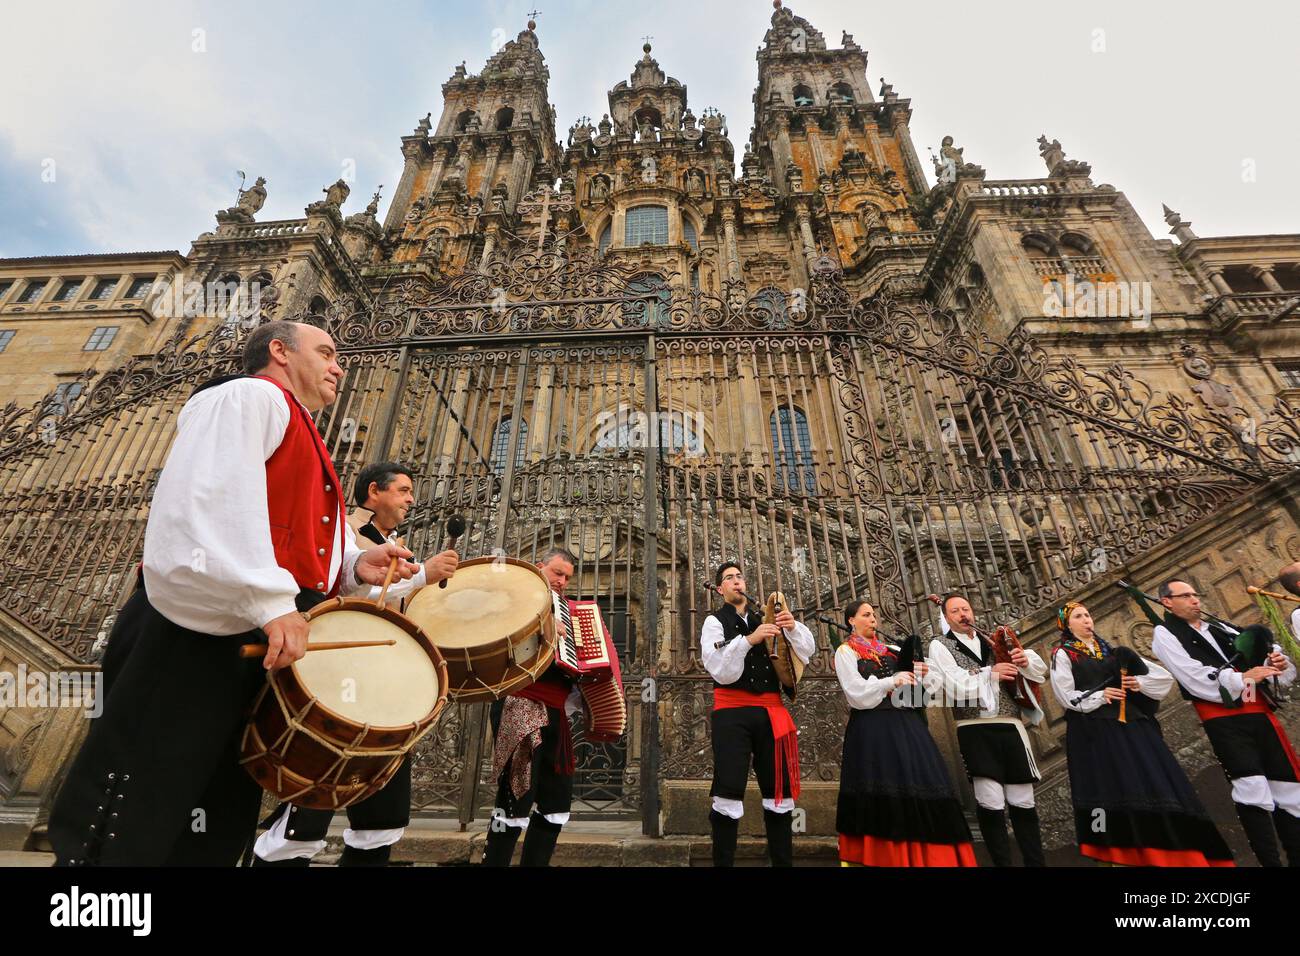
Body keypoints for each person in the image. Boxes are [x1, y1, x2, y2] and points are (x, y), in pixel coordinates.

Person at [48, 321, 421, 866]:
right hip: (193, 634)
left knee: (212, 811)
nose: (339, 366)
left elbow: (287, 535)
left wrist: (354, 563)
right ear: (279, 352)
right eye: (326, 352)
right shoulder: (248, 396)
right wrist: (273, 605)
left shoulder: (296, 424)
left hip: (244, 637)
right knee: (139, 803)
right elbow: (212, 503)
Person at [251, 460, 457, 866]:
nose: (411, 499)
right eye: (403, 490)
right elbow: (344, 599)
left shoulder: (388, 539)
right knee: (307, 812)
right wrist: (421, 576)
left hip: (380, 688)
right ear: (373, 492)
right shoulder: (346, 531)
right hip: (337, 684)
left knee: (382, 820)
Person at [1050, 600, 1233, 866]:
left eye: (1088, 614)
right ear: (1066, 624)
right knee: (1114, 787)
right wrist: (1100, 695)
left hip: (1133, 725)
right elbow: (1066, 696)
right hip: (1097, 731)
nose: (1087, 619)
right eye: (1078, 616)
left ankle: (1183, 853)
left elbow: (1160, 679)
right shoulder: (1062, 654)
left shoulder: (1112, 651)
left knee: (1155, 780)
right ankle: (1124, 854)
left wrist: (1137, 683)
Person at [1151, 579, 1299, 866]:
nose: (1195, 600)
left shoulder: (1221, 628)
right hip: (1225, 722)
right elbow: (1193, 677)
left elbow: (1270, 662)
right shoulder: (1165, 633)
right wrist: (1242, 677)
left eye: (1195, 594)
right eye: (1186, 596)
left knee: (1289, 788)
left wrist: (1276, 664)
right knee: (1252, 789)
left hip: (1259, 714)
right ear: (1167, 602)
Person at [834, 600, 975, 866]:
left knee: (922, 782)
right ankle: (890, 857)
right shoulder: (845, 651)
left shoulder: (894, 649)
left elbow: (921, 693)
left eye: (874, 614)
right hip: (873, 730)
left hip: (906, 724)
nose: (872, 619)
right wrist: (891, 680)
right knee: (886, 785)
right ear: (851, 620)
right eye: (866, 615)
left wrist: (921, 673)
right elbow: (855, 694)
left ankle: (930, 857)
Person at [701, 562, 814, 866]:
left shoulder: (766, 618)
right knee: (728, 793)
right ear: (720, 589)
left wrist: (791, 627)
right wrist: (750, 640)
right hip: (731, 714)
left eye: (739, 577)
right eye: (729, 578)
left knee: (779, 794)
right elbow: (719, 669)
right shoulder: (714, 622)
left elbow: (804, 654)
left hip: (771, 713)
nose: (736, 582)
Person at [927, 593, 1048, 866]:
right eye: (955, 611)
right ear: (946, 618)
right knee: (990, 798)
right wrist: (989, 674)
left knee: (1023, 798)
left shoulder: (995, 641)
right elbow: (951, 682)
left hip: (1010, 726)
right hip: (975, 728)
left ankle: (1035, 862)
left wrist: (1023, 661)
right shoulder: (940, 645)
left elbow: (1033, 670)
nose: (963, 614)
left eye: (966, 609)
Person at [482, 548, 584, 867]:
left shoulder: (567, 610)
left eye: (568, 576)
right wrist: (546, 634)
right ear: (540, 567)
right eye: (557, 573)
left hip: (557, 712)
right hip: (522, 704)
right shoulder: (518, 597)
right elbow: (503, 649)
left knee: (556, 802)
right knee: (515, 800)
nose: (563, 581)